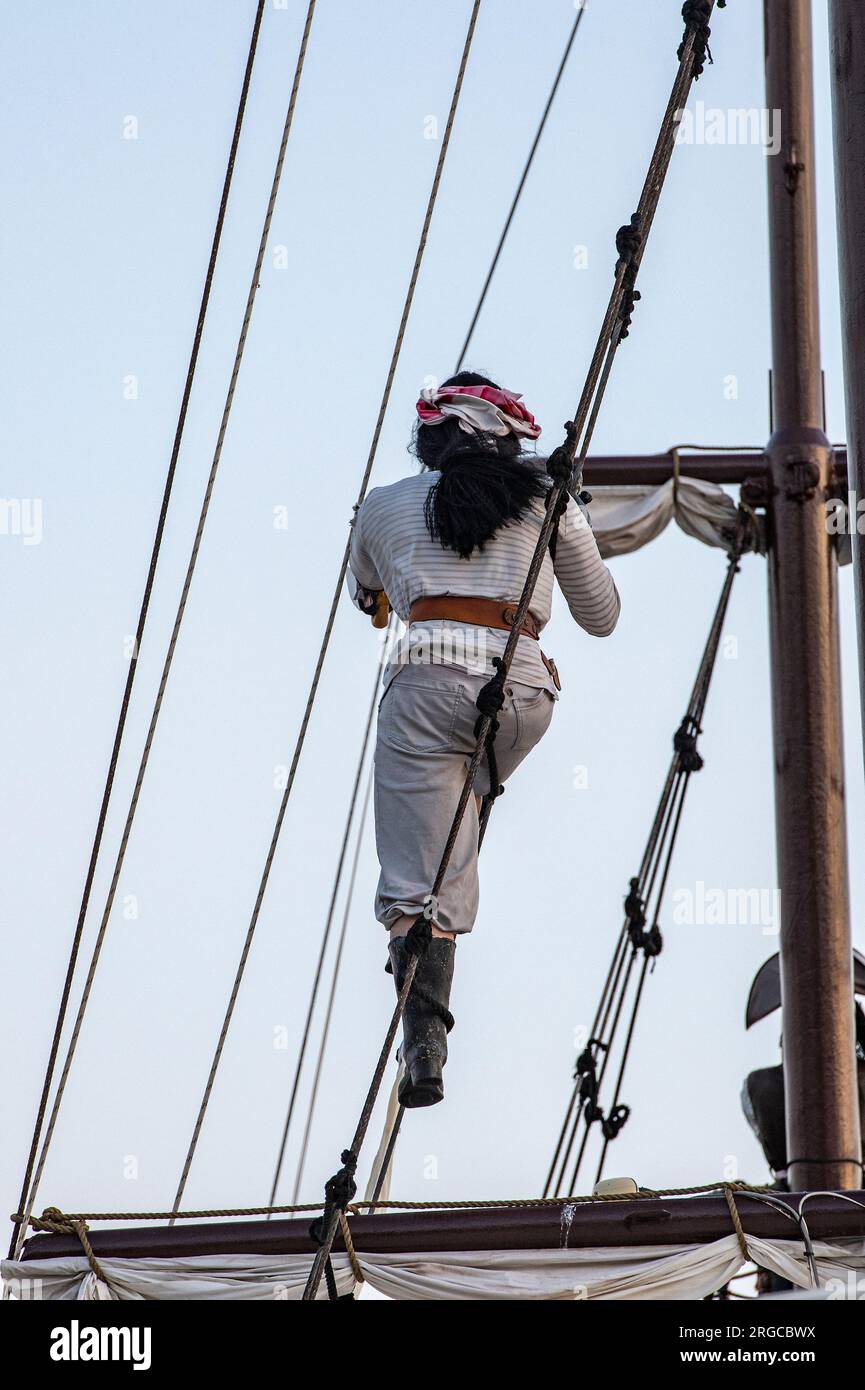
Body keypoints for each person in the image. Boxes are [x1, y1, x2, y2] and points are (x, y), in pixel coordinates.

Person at [347, 371, 620, 1108]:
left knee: (414, 886)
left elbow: (365, 594)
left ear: (430, 441)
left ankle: (424, 1040)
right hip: (523, 692)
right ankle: (452, 846)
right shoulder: (547, 499)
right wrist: (564, 516)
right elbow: (601, 617)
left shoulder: (379, 508)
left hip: (426, 686)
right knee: (461, 799)